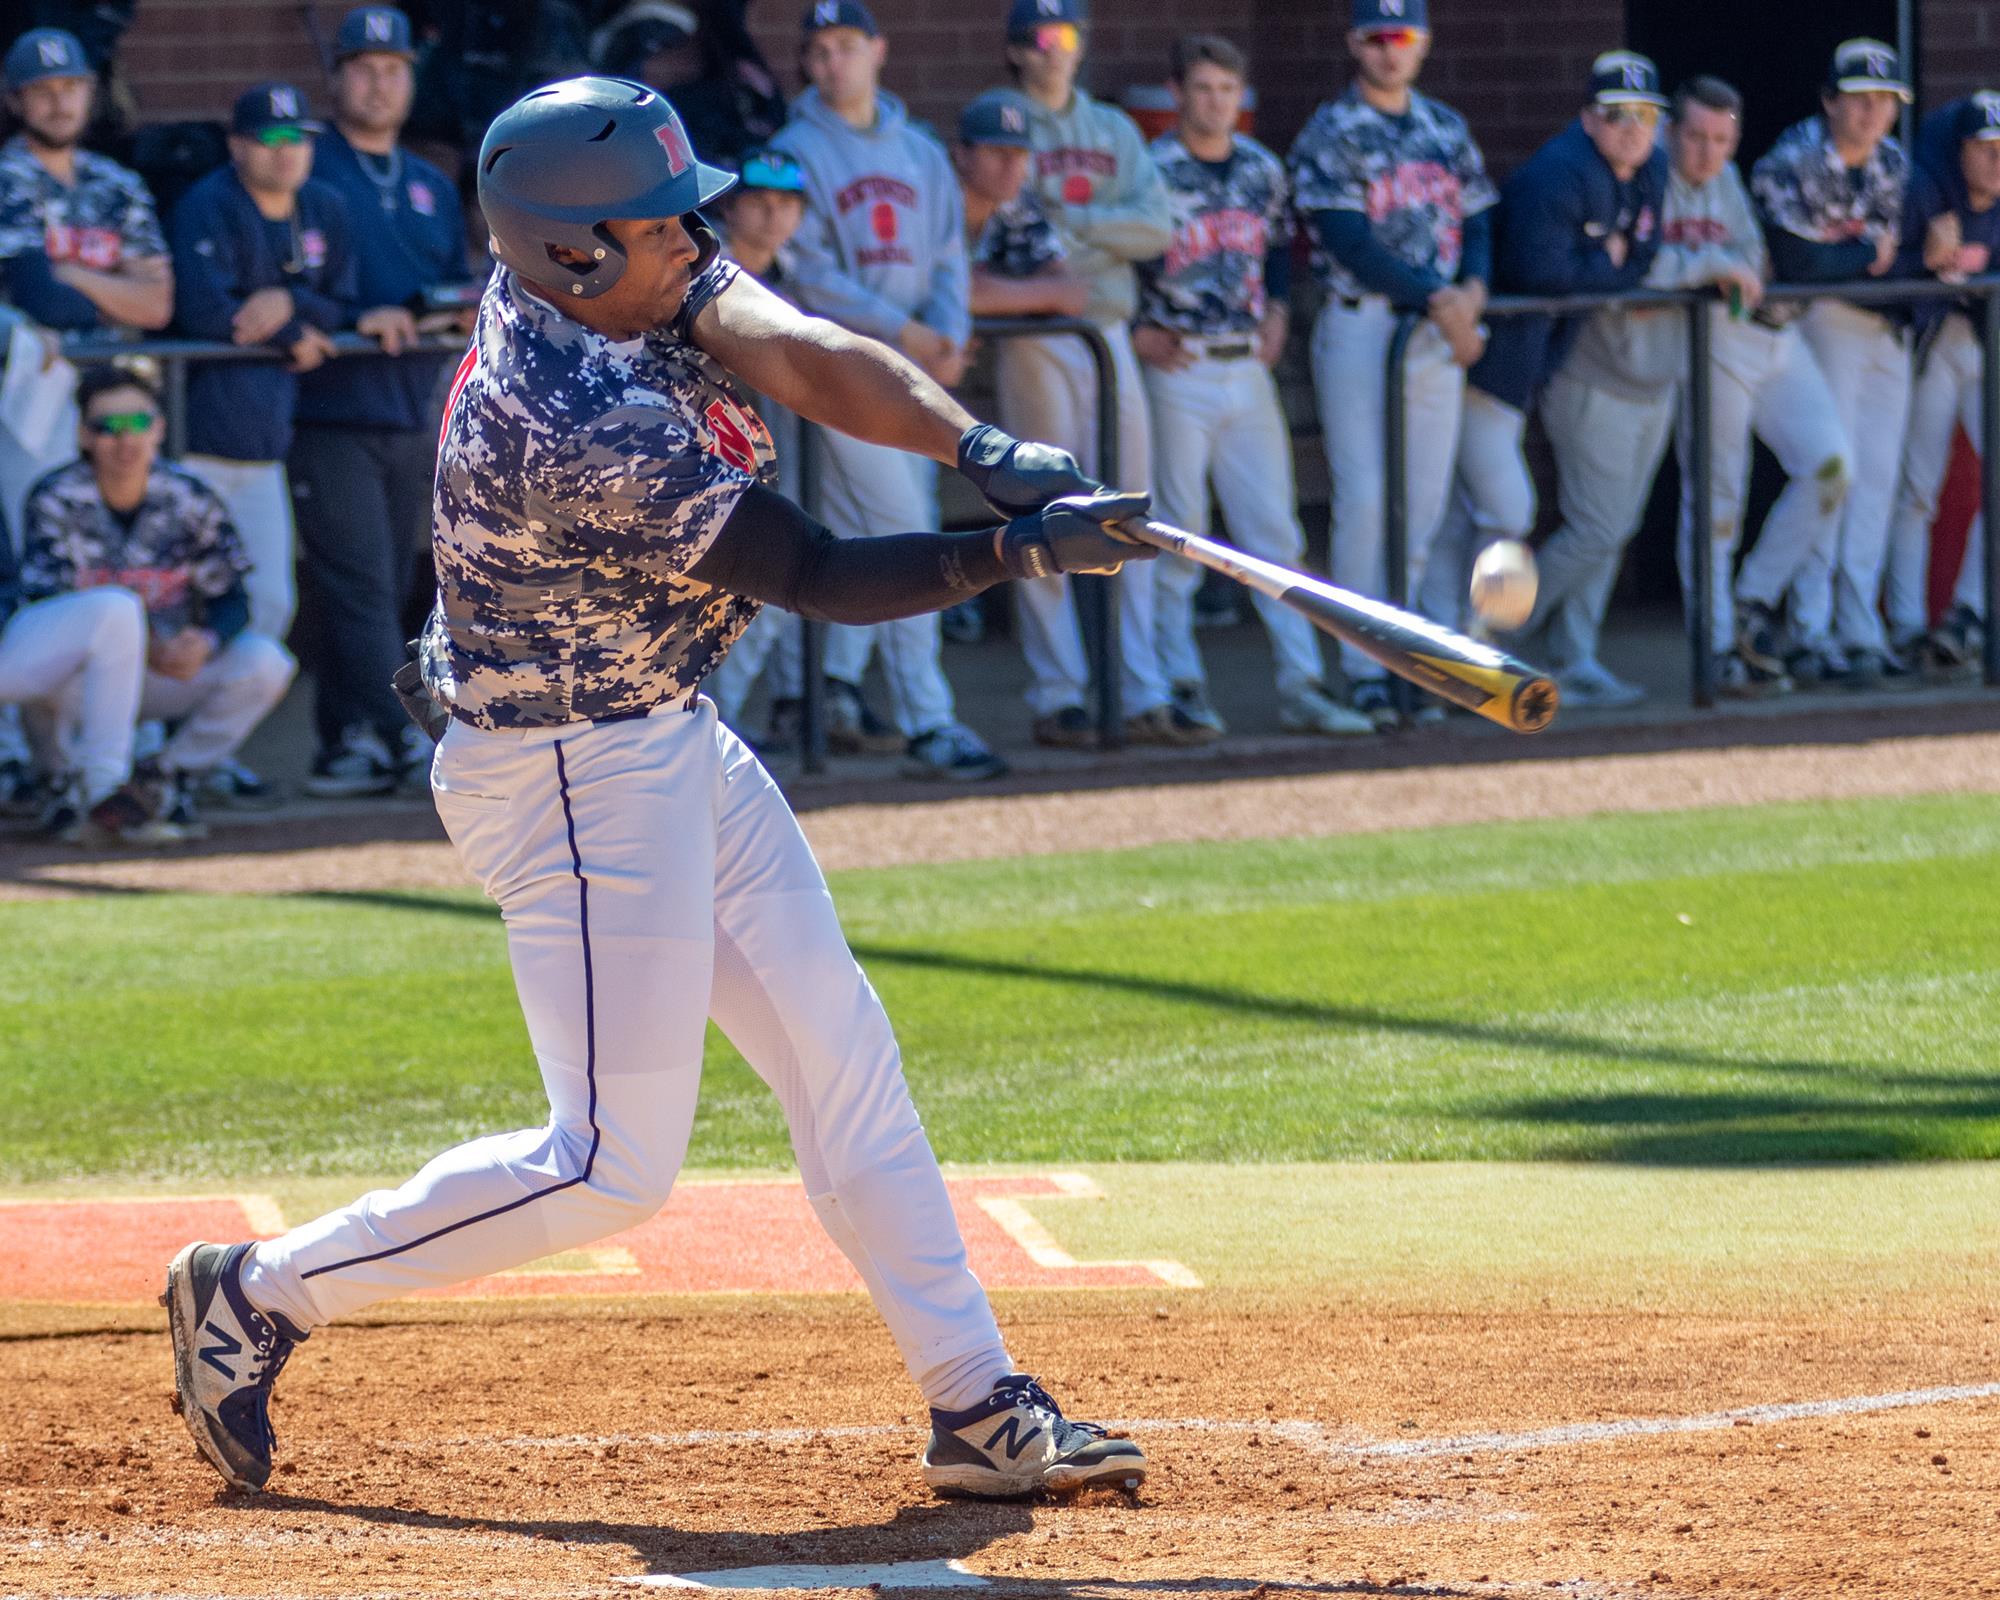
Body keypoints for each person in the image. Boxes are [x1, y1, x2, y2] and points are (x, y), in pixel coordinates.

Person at [163, 75, 1153, 1503]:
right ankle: (256, 1292)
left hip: (659, 728)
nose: (697, 240)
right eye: (664, 224)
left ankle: (976, 1400)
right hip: (564, 771)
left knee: (842, 1054)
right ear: (573, 251)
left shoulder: (625, 277)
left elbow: (797, 349)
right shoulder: (560, 413)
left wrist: (978, 448)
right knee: (609, 1167)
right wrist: (1016, 552)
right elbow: (812, 570)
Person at [770, 0, 1005, 781]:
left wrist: (948, 335)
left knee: (855, 537)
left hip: (913, 370)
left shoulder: (920, 150)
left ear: (878, 50)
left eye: (845, 45)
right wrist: (907, 333)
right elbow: (808, 276)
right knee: (906, 533)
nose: (831, 62)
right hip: (839, 374)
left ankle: (816, 693)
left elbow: (948, 259)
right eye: (818, 50)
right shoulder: (795, 148)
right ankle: (928, 720)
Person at [1137, 34, 1369, 739]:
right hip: (1179, 364)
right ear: (1177, 94)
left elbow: (1273, 251)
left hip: (1245, 364)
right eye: (1203, 89)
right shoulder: (1151, 169)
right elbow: (1126, 260)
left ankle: (1304, 684)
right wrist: (1137, 327)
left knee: (1275, 533)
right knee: (1177, 529)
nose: (1216, 103)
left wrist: (1277, 311)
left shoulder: (1262, 168)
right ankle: (1179, 684)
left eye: (1227, 90)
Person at [993, 0, 1199, 746]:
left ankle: (1141, 687)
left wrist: (1072, 225)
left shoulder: (1112, 127)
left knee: (1130, 506)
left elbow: (1157, 229)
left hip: (1108, 329)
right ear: (1019, 50)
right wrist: (1099, 234)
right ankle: (1060, 694)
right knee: (1039, 509)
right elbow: (1010, 221)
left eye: (1068, 35)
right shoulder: (1003, 120)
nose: (1056, 49)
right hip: (1035, 333)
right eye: (1042, 38)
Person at [1286, 0, 1495, 729]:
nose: (1389, 51)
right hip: (1362, 324)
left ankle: (1405, 657)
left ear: (1422, 42)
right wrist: (1441, 299)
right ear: (1355, 44)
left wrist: (1472, 292)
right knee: (1367, 500)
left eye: (1401, 37)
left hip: (1436, 330)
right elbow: (1346, 240)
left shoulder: (1445, 126)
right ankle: (1362, 668)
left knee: (1424, 502)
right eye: (1376, 38)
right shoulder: (1332, 128)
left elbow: (1477, 220)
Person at [291, 7, 473, 801]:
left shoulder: (429, 182)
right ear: (336, 78)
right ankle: (399, 735)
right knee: (358, 581)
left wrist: (455, 310)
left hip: (411, 405)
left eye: (393, 68)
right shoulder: (309, 167)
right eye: (363, 68)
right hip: (331, 407)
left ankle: (348, 741)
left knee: (394, 580)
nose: (378, 83)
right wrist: (356, 316)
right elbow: (291, 279)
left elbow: (454, 283)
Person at [20, 364, 293, 838]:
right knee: (43, 675)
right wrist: (145, 644)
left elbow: (232, 597)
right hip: (84, 679)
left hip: (165, 672)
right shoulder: (55, 498)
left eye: (139, 423)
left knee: (265, 662)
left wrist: (205, 640)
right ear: (84, 435)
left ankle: (165, 776)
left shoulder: (189, 496)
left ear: (159, 429)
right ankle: (65, 783)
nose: (126, 440)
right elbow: (44, 605)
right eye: (109, 427)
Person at [1647, 76, 1849, 700]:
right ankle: (1715, 648)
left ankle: (1752, 602)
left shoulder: (1729, 178)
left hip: (1772, 341)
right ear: (1671, 131)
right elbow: (1642, 267)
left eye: (1721, 140)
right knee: (1717, 502)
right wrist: (1712, 265)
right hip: (1713, 347)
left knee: (1832, 468)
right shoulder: (1648, 177)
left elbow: (1753, 257)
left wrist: (1731, 266)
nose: (1707, 152)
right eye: (1695, 137)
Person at [1490, 52, 1670, 708]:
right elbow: (1542, 274)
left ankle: (1574, 655)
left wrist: (1601, 265)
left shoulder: (1653, 166)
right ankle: (1487, 640)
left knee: (1612, 525)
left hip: (1572, 357)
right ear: (1589, 119)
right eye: (1616, 114)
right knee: (1592, 523)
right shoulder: (1558, 173)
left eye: (1645, 114)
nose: (1632, 127)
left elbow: (1641, 257)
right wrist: (1606, 266)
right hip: (1513, 364)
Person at [170, 82, 358, 651]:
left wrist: (286, 303)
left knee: (272, 605)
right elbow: (203, 311)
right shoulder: (208, 203)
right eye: (271, 137)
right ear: (237, 146)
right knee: (183, 606)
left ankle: (223, 711)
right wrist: (290, 329)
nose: (287, 150)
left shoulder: (325, 205)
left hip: (266, 446)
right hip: (195, 444)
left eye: (299, 137)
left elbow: (342, 303)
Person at [1749, 38, 1911, 688]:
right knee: (1832, 474)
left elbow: (1912, 257)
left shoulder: (1897, 161)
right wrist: (1865, 256)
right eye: (1860, 99)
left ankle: (1859, 627)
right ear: (1829, 101)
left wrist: (1862, 260)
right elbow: (1799, 263)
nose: (1873, 113)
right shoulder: (1791, 158)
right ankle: (1810, 628)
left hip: (1888, 329)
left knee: (1876, 481)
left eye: (1885, 101)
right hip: (1823, 322)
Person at [0, 26, 171, 535]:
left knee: (126, 541)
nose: (59, 103)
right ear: (15, 100)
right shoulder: (7, 178)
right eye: (43, 90)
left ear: (91, 93)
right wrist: (116, 290)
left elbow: (158, 304)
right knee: (44, 538)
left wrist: (71, 273)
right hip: (32, 388)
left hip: (118, 391)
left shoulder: (118, 183)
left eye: (70, 87)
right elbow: (43, 301)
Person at [1883, 90, 2000, 678]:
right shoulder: (1928, 190)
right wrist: (1931, 258)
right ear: (1961, 150)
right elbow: (1888, 272)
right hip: (1936, 346)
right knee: (1918, 488)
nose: (1996, 161)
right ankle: (1906, 626)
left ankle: (1969, 614)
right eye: (1985, 148)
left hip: (1987, 347)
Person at [703, 142, 812, 746]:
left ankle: (728, 716)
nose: (773, 215)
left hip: (767, 452)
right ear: (731, 206)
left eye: (786, 203)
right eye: (759, 201)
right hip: (704, 455)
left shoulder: (795, 274)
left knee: (771, 592)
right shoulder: (700, 265)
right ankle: (711, 720)